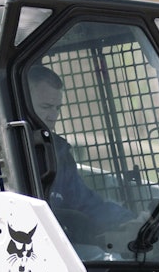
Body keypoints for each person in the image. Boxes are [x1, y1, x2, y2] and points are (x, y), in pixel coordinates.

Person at [27, 65, 136, 235]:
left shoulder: (58, 154)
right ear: (23, 103)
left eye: (57, 108)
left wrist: (128, 221)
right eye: (46, 107)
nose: (53, 116)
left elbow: (86, 204)